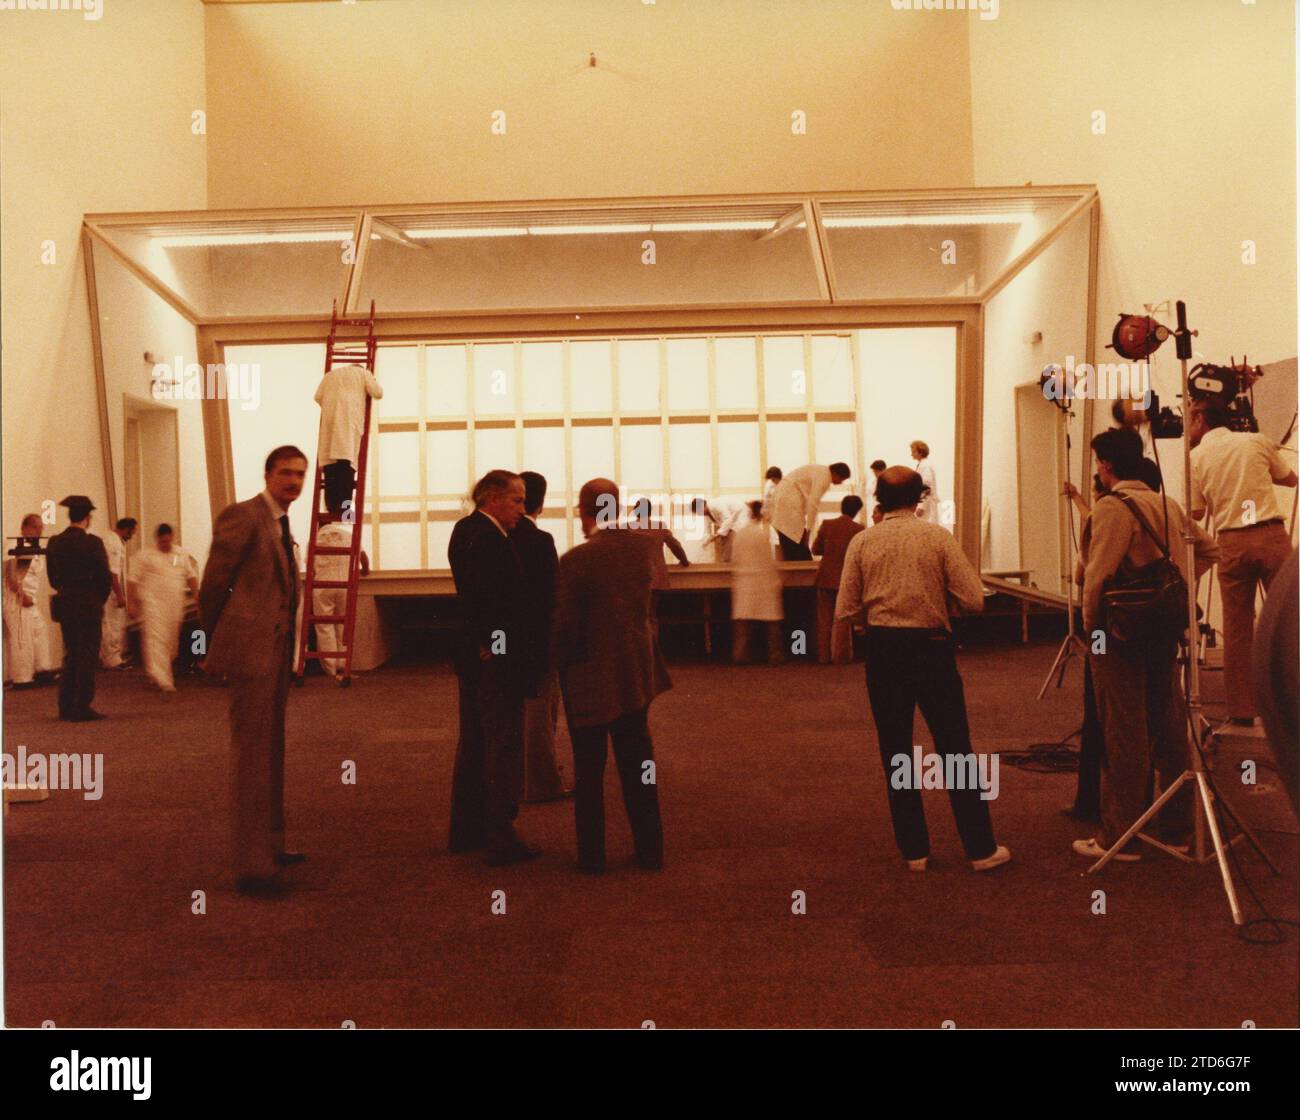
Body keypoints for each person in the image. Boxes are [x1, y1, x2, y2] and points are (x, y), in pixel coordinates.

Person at [836, 467, 1009, 873]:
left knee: (895, 748)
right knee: (955, 748)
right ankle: (979, 848)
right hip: (931, 649)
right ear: (921, 497)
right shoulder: (937, 538)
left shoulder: (862, 542)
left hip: (883, 650)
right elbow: (973, 599)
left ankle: (914, 850)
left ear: (877, 498)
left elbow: (846, 607)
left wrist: (871, 618)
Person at [1073, 428, 1218, 862]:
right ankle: (1176, 826)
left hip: (1119, 633)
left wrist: (1090, 630)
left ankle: (1119, 834)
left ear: (1106, 465)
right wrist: (1178, 587)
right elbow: (1210, 550)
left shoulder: (1112, 507)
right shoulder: (1167, 504)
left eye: (1098, 462)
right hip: (1163, 627)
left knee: (1124, 729)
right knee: (1168, 723)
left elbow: (1096, 577)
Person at [199, 446, 309, 896]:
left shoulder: (281, 521)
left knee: (271, 750)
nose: (294, 482)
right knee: (252, 756)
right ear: (267, 474)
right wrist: (225, 640)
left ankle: (272, 844)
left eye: (300, 475)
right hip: (252, 654)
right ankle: (252, 866)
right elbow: (212, 585)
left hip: (277, 653)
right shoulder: (243, 516)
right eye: (286, 473)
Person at [554, 478, 669, 874]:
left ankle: (592, 857)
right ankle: (651, 850)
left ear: (583, 510)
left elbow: (566, 628)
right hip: (634, 675)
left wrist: (557, 663)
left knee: (589, 771)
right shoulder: (641, 550)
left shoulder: (574, 561)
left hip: (589, 678)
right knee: (640, 764)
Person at [447, 469, 537, 866]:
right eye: (516, 500)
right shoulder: (489, 539)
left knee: (474, 743)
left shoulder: (463, 530)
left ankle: (466, 831)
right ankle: (501, 835)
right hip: (496, 661)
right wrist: (497, 649)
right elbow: (492, 603)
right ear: (491, 498)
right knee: (502, 744)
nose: (522, 508)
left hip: (471, 656)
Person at [1189, 398, 1298, 726]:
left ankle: (1241, 710)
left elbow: (1196, 513)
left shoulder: (1195, 457)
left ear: (1202, 420)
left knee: (1237, 631)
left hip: (1232, 544)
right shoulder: (1256, 441)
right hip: (1270, 536)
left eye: (1190, 420)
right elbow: (1291, 479)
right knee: (1290, 624)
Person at [511, 470, 570, 803]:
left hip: (508, 641)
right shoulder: (541, 540)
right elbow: (553, 596)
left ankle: (517, 778)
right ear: (542, 503)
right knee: (541, 713)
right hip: (538, 642)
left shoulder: (500, 536)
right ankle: (542, 782)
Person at [45, 496, 112, 722]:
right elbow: (104, 577)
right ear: (87, 517)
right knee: (87, 655)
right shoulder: (93, 542)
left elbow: (53, 578)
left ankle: (65, 705)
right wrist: (97, 599)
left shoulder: (54, 542)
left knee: (71, 654)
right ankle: (81, 705)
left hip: (66, 603)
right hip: (89, 602)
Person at [132, 524, 199, 692]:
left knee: (171, 640)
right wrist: (132, 603)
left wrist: (197, 596)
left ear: (172, 538)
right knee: (156, 638)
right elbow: (132, 580)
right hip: (153, 603)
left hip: (174, 604)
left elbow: (190, 576)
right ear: (157, 540)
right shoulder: (144, 556)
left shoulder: (180, 554)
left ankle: (157, 670)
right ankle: (163, 679)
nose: (165, 545)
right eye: (162, 542)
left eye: (168, 541)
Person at [310, 496, 369, 678]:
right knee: (343, 625)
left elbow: (310, 564)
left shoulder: (316, 537)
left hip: (323, 585)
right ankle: (344, 667)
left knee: (325, 627)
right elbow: (362, 556)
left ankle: (331, 668)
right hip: (344, 584)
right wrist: (365, 570)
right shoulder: (347, 534)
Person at [314, 362, 383, 513]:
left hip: (329, 424)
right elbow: (378, 393)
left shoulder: (329, 375)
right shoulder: (363, 373)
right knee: (347, 468)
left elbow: (317, 397)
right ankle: (345, 515)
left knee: (330, 468)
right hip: (349, 422)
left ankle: (330, 510)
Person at [4, 514, 55, 688]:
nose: (39, 531)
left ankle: (42, 670)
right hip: (17, 601)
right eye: (35, 527)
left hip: (29, 600)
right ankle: (22, 678)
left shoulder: (34, 548)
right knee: (22, 638)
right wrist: (21, 595)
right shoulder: (16, 546)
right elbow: (10, 575)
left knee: (40, 631)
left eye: (41, 527)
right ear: (24, 527)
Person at [812, 494, 864, 664]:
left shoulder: (827, 525)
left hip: (825, 577)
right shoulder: (859, 529)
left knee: (824, 619)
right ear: (857, 511)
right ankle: (840, 656)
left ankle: (823, 656)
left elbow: (816, 549)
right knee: (842, 620)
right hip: (845, 579)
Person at [731, 500, 783, 665]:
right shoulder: (764, 534)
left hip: (744, 581)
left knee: (743, 621)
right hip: (763, 580)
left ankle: (740, 654)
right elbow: (770, 559)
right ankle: (774, 654)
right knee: (772, 621)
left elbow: (734, 558)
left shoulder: (741, 534)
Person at [769, 462, 852, 559]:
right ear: (836, 474)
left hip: (784, 502)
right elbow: (813, 503)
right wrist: (808, 531)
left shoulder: (821, 471)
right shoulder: (825, 477)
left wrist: (807, 531)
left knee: (794, 544)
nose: (840, 483)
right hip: (788, 503)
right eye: (841, 479)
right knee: (796, 548)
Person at [625, 496, 690, 591]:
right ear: (650, 512)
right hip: (658, 579)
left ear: (635, 512)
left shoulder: (627, 528)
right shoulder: (659, 527)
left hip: (635, 581)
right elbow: (675, 546)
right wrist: (684, 561)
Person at [98, 517, 136, 669]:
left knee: (106, 624)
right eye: (132, 532)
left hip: (103, 589)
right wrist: (120, 595)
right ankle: (113, 660)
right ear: (126, 529)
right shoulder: (114, 543)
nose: (132, 536)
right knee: (113, 625)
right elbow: (113, 573)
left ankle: (106, 658)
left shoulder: (107, 538)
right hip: (110, 590)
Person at [692, 495, 746, 562]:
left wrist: (716, 535)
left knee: (728, 538)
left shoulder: (716, 505)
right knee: (723, 538)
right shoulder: (706, 512)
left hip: (740, 516)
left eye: (698, 512)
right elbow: (707, 529)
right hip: (730, 521)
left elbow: (728, 520)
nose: (699, 514)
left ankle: (727, 563)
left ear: (702, 506)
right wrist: (706, 541)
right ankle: (726, 562)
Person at [910, 441, 941, 525]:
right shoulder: (922, 465)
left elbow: (926, 487)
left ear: (920, 452)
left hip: (927, 507)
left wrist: (921, 507)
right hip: (925, 504)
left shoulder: (925, 466)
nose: (911, 454)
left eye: (913, 451)